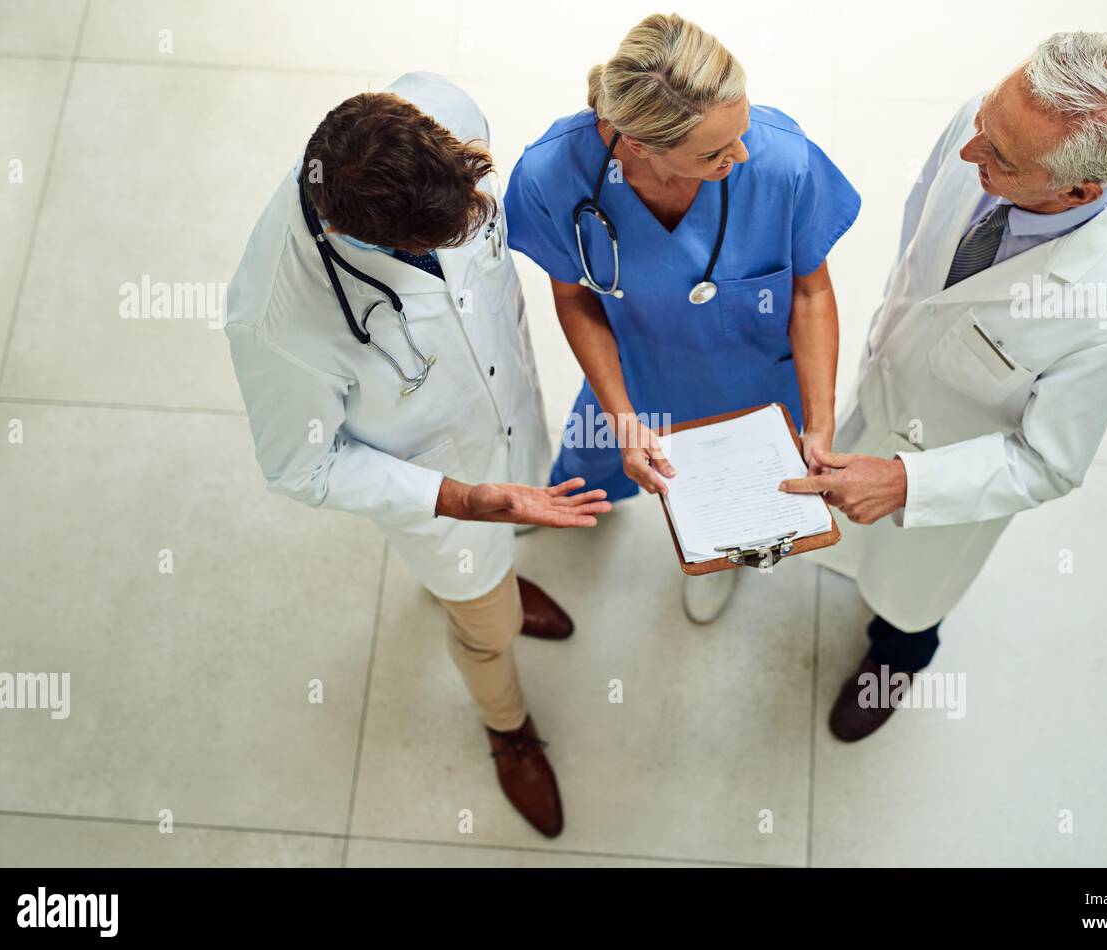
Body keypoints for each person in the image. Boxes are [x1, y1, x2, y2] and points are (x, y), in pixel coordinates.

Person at [224, 72, 612, 837]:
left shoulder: (442, 108)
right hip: (442, 493)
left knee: (520, 501)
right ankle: (507, 728)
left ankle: (500, 565)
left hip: (510, 407)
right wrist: (463, 500)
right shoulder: (276, 317)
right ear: (367, 238)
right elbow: (300, 466)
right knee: (487, 626)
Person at [781, 32, 1107, 741]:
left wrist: (904, 484)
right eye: (985, 119)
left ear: (1077, 188)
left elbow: (1049, 461)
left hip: (953, 475)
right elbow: (918, 236)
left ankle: (897, 661)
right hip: (887, 384)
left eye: (998, 158)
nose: (969, 150)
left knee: (910, 599)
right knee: (848, 540)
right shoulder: (986, 125)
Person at [504, 13, 860, 624]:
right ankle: (578, 505)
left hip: (755, 380)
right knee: (594, 461)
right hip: (635, 366)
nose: (741, 152)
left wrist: (821, 425)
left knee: (742, 493)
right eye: (715, 151)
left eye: (742, 129)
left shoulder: (783, 165)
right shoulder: (554, 176)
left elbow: (809, 294)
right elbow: (575, 296)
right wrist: (621, 417)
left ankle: (725, 549)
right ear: (638, 145)